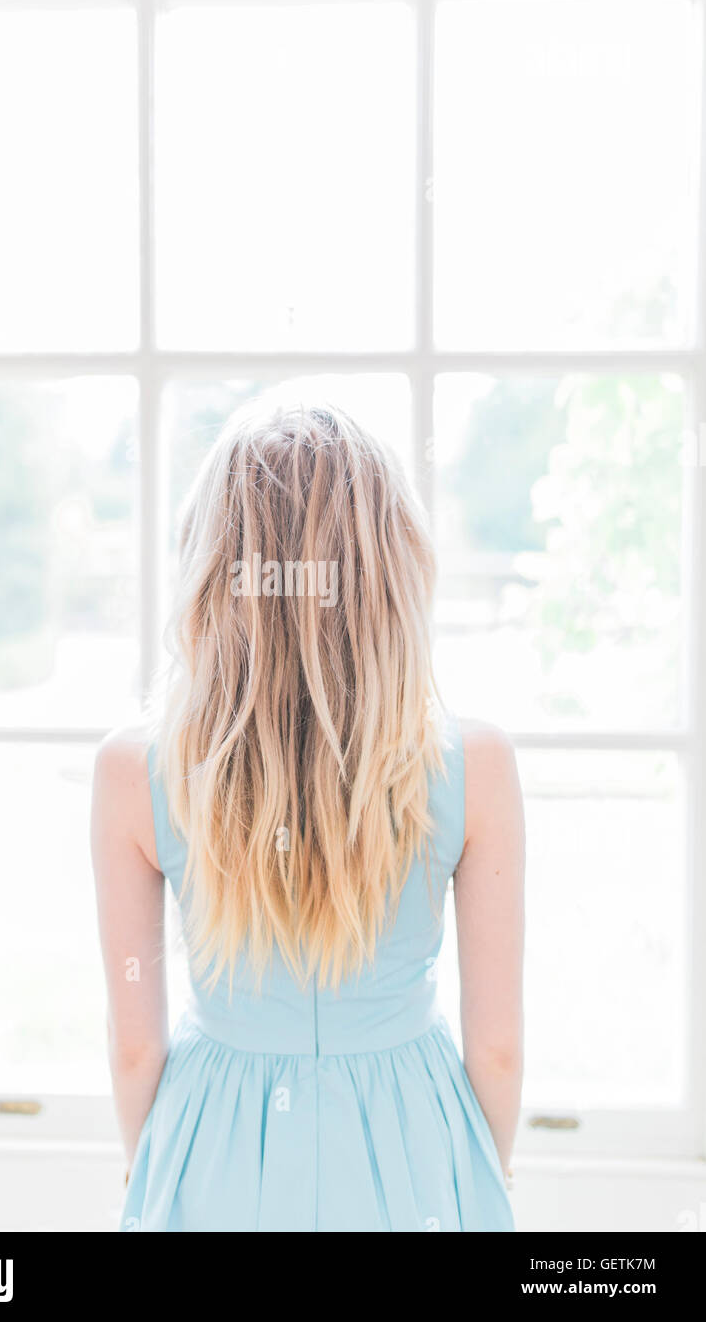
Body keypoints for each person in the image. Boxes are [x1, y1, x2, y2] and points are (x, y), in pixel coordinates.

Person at [91, 397, 525, 1232]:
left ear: (214, 567)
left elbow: (136, 1048)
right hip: (414, 1140)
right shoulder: (476, 766)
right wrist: (483, 1172)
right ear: (392, 567)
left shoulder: (134, 771)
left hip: (214, 1144)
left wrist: (154, 1169)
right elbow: (498, 1051)